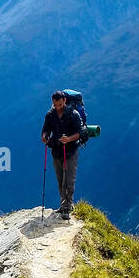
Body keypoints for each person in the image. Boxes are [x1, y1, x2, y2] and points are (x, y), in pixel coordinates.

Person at [41, 91, 84, 220]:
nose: (58, 107)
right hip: (56, 150)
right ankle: (63, 204)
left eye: (60, 104)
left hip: (70, 151)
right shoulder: (50, 115)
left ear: (64, 101)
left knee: (69, 180)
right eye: (55, 104)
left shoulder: (73, 114)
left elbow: (80, 133)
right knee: (61, 180)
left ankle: (67, 207)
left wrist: (68, 139)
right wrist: (44, 136)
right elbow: (45, 130)